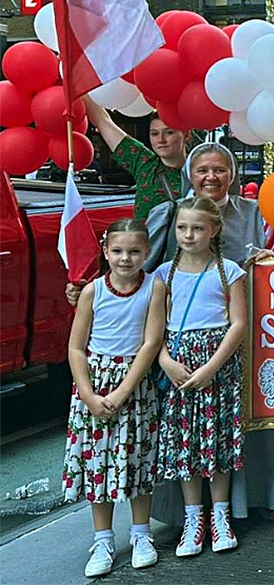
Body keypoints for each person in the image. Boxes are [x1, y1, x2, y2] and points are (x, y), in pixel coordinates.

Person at [142, 142, 274, 527]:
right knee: (191, 429)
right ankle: (194, 513)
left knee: (254, 418)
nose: (211, 177)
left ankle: (265, 495)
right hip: (187, 343)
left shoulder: (256, 212)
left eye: (220, 169)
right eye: (203, 170)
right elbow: (142, 271)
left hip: (254, 333)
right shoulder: (171, 214)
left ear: (232, 174)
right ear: (190, 173)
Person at [64, 219, 166, 577]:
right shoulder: (93, 291)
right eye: (118, 251)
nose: (126, 258)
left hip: (134, 385)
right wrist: (89, 395)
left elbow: (151, 343)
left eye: (134, 251)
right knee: (99, 465)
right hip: (95, 385)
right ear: (105, 252)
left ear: (146, 252)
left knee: (137, 459)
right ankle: (103, 539)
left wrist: (124, 390)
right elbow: (76, 347)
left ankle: (141, 534)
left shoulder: (154, 287)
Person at [152, 196, 248, 556]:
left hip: (217, 366)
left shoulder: (229, 271)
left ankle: (220, 514)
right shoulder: (164, 274)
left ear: (214, 230)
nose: (188, 235)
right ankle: (193, 517)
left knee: (218, 438)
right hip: (180, 367)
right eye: (182, 228)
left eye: (196, 228)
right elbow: (154, 329)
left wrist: (212, 368)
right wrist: (165, 361)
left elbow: (238, 324)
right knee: (185, 442)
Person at [84, 98, 188, 220]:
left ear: (186, 135)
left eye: (169, 132)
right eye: (154, 134)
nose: (161, 140)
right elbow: (102, 121)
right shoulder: (145, 164)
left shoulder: (200, 170)